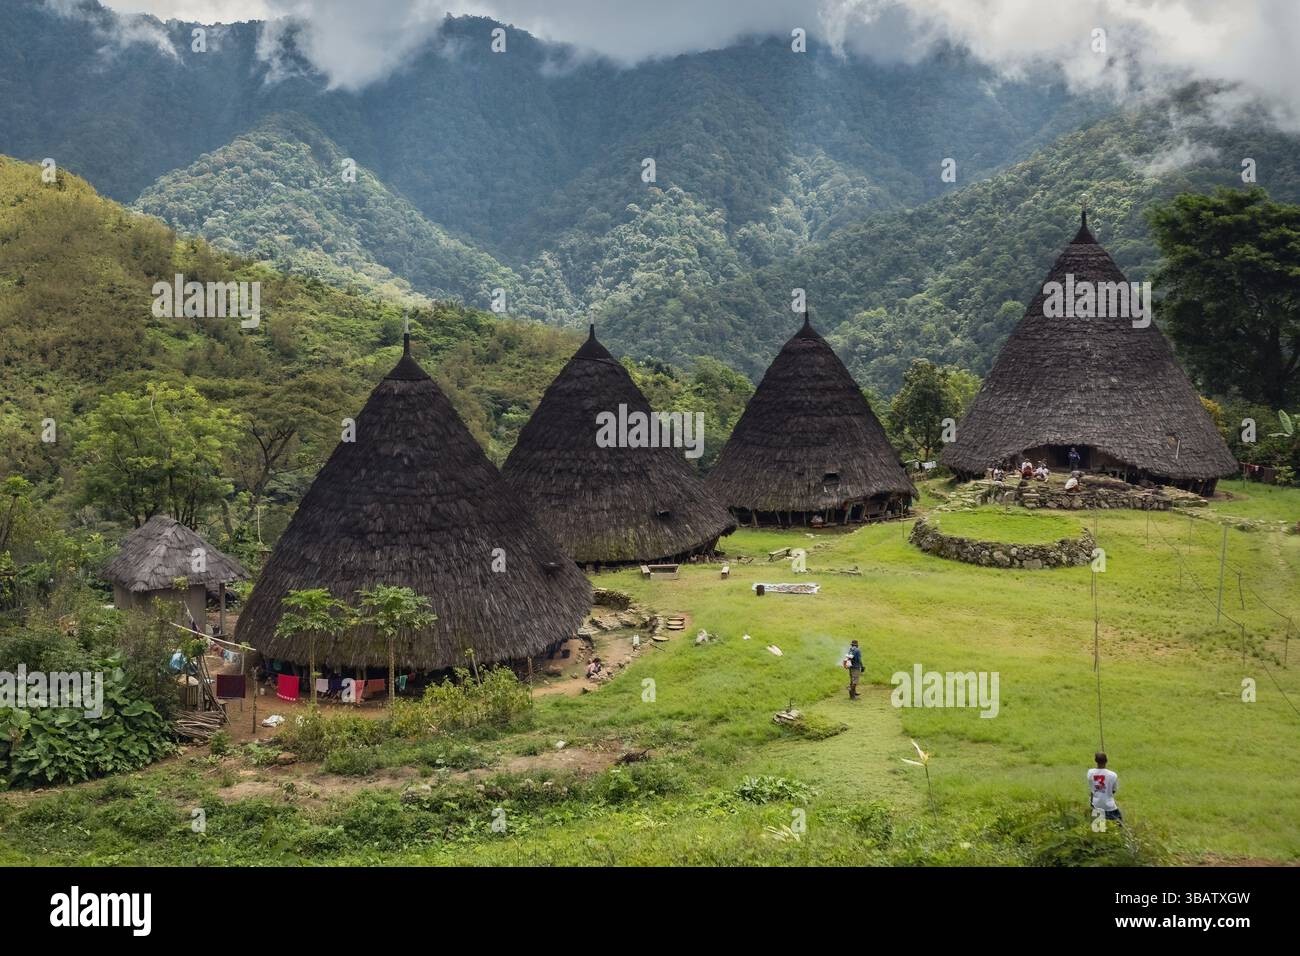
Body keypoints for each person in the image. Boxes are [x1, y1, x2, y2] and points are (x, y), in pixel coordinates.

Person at [1087, 751, 1122, 824]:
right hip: (1109, 806)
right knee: (1118, 826)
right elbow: (1114, 790)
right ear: (1106, 761)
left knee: (1098, 829)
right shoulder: (1112, 775)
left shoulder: (1090, 772)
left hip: (1095, 804)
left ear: (1095, 760)